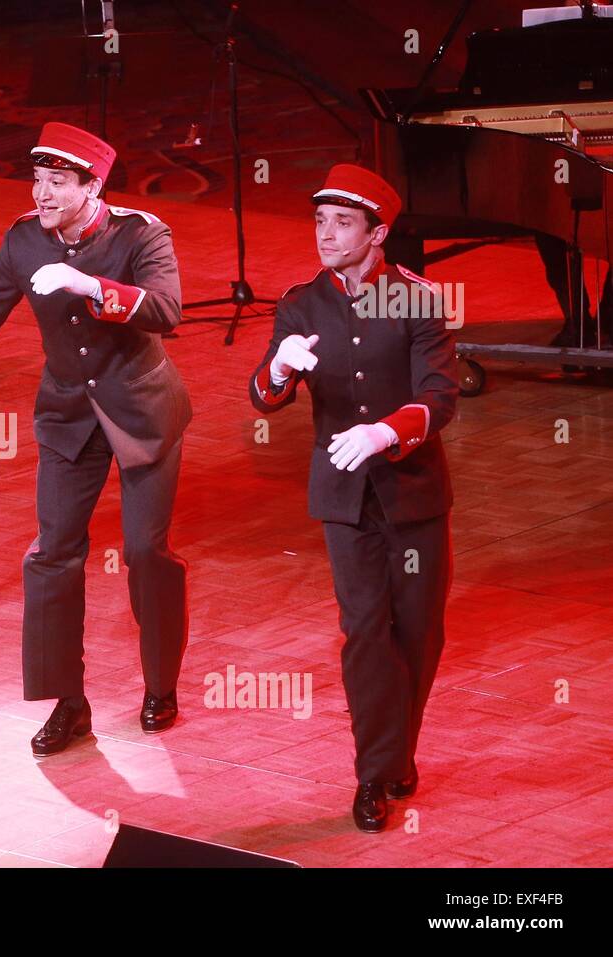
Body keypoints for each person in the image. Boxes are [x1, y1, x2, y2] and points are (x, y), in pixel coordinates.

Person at [0, 122, 191, 757]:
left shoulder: (141, 233)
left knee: (146, 553)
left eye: (59, 182)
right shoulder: (24, 240)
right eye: (38, 180)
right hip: (67, 414)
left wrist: (90, 287)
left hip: (141, 409)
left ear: (93, 186)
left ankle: (161, 683)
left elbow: (167, 310)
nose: (43, 193)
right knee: (52, 554)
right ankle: (68, 702)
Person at [249, 164, 457, 832]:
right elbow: (263, 391)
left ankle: (399, 753)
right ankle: (375, 772)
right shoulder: (301, 302)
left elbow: (440, 396)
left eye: (343, 222)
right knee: (365, 629)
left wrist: (384, 430)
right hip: (344, 498)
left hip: (413, 490)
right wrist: (278, 369)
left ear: (378, 233)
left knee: (417, 632)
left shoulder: (419, 300)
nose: (326, 234)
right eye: (319, 220)